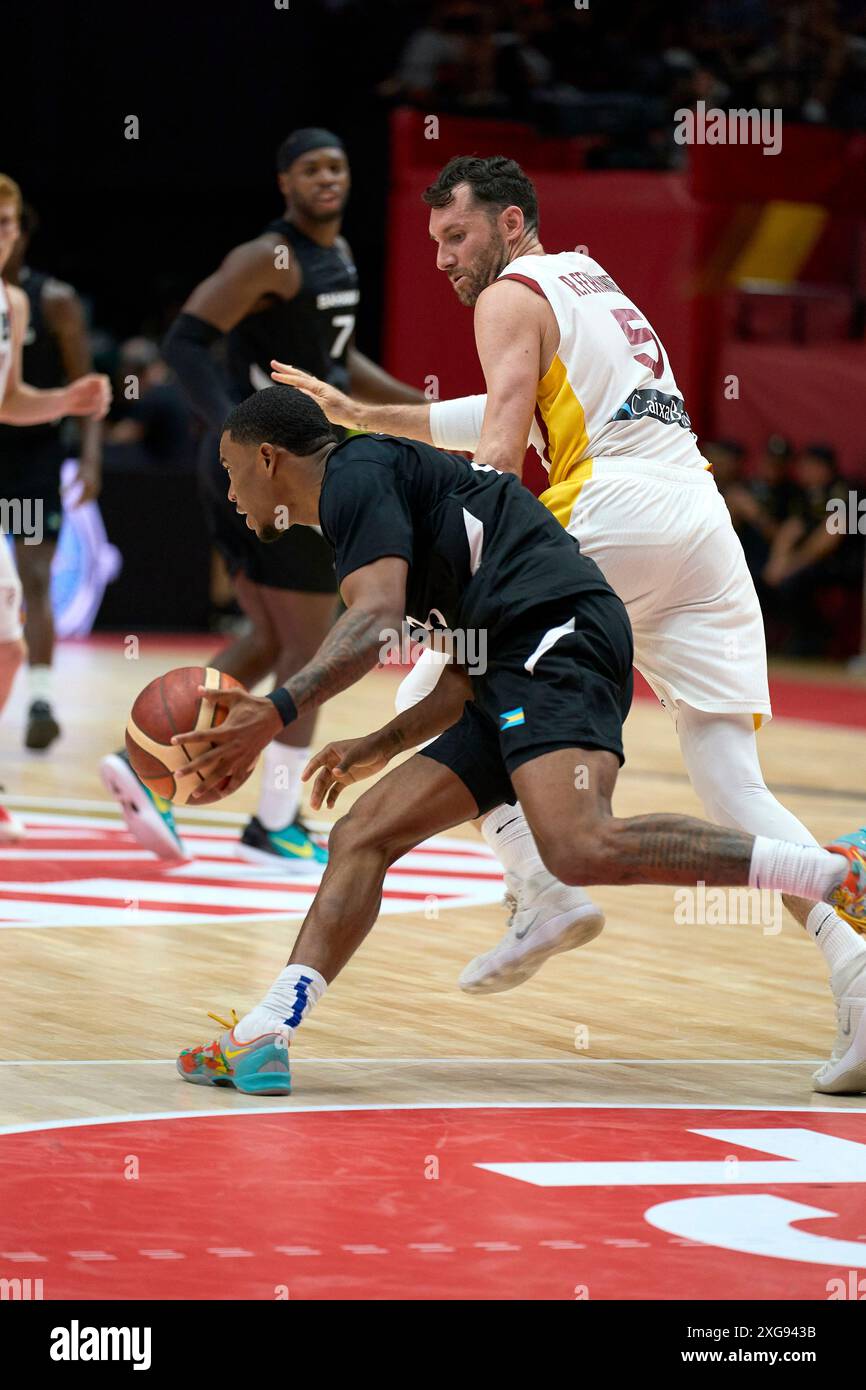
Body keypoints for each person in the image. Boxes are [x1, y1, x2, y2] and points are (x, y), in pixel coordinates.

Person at [270, 154, 866, 1095]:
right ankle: (858, 969)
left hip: (616, 507)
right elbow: (501, 403)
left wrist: (475, 558)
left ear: (511, 226)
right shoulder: (588, 278)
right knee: (730, 781)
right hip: (701, 526)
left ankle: (541, 888)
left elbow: (504, 435)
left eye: (456, 235)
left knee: (445, 669)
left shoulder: (507, 293)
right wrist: (362, 416)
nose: (442, 258)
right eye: (431, 242)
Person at [171, 386, 866, 1098]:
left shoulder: (357, 472)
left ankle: (836, 874)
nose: (227, 491)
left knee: (579, 844)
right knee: (362, 833)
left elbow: (376, 618)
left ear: (268, 457)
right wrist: (383, 740)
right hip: (510, 661)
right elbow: (461, 672)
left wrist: (276, 710)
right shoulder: (368, 496)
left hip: (559, 636)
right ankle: (266, 1033)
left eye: (229, 472)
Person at [99, 127, 423, 870]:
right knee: (313, 645)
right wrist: (228, 424)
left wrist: (430, 415)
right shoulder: (265, 257)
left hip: (269, 467)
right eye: (310, 169)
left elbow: (340, 364)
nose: (326, 179)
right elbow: (184, 339)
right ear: (284, 182)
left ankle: (143, 760)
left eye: (337, 166)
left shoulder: (334, 257)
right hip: (276, 473)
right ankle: (274, 823)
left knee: (276, 640)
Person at [0, 172, 111, 834]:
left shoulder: (16, 304)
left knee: (8, 641)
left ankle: (34, 701)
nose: (4, 236)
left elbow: (8, 403)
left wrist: (67, 403)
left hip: (24, 458)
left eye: (10, 224)